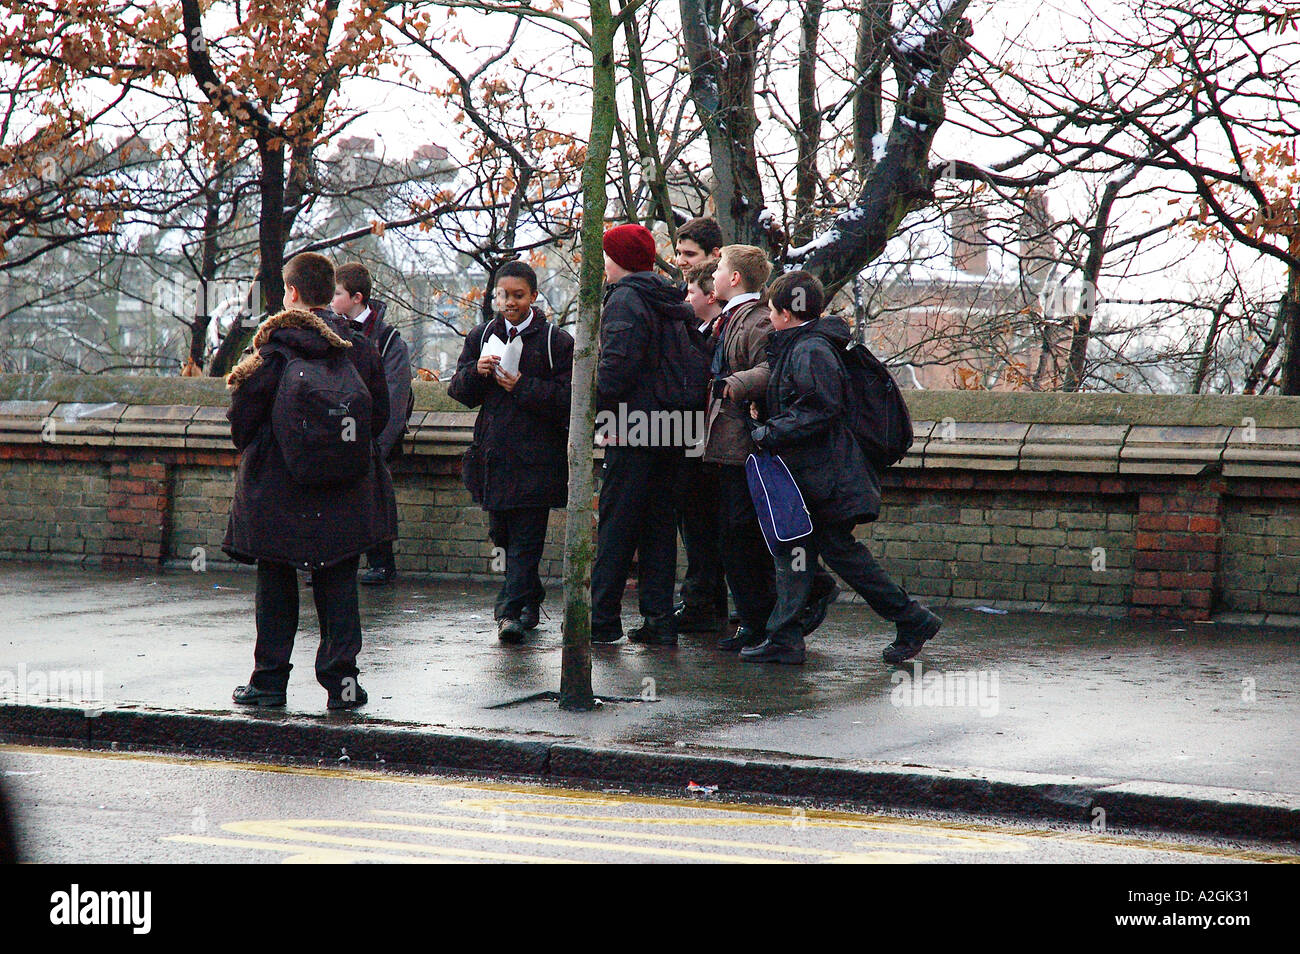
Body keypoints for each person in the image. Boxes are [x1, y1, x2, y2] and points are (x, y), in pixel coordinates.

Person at [224, 252, 397, 708]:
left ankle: (268, 684)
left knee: (276, 581)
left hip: (277, 488)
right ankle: (343, 687)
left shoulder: (271, 347)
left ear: (293, 294)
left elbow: (242, 422)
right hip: (345, 486)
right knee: (339, 583)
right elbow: (378, 415)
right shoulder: (358, 346)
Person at [745, 271, 942, 664]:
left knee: (828, 552)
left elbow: (821, 407)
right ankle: (786, 637)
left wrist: (770, 431)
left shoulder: (810, 350)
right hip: (817, 475)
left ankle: (911, 618)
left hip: (824, 477)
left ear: (785, 312)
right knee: (807, 550)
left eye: (772, 309)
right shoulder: (802, 346)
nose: (769, 316)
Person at [448, 261, 573, 643]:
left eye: (518, 295)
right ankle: (530, 598)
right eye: (503, 295)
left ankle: (509, 615)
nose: (509, 303)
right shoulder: (482, 334)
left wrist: (521, 385)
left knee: (525, 541)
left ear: (533, 297)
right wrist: (477, 372)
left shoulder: (556, 342)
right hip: (493, 459)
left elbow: (569, 401)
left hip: (536, 461)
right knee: (502, 536)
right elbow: (459, 392)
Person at [590, 223, 697, 645]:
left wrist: (593, 403)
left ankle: (601, 620)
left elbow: (615, 370)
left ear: (618, 259)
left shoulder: (626, 299)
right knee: (658, 528)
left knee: (616, 525)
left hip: (631, 429)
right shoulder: (667, 297)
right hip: (671, 428)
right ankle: (658, 620)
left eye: (606, 255)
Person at [701, 244, 779, 652]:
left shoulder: (757, 321)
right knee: (731, 536)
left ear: (734, 278)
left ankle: (757, 623)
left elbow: (770, 368)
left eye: (719, 269)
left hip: (741, 445)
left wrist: (736, 384)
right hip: (724, 443)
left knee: (741, 536)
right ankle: (752, 622)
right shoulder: (732, 318)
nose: (712, 275)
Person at [332, 262, 412, 586]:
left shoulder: (389, 340)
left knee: (374, 497)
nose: (331, 299)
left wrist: (378, 445)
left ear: (357, 297)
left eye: (336, 293)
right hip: (338, 432)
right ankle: (333, 563)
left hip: (373, 437)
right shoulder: (331, 332)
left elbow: (396, 396)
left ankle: (381, 562)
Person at [672, 261, 729, 634]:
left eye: (691, 292)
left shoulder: (713, 335)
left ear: (710, 296)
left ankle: (702, 602)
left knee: (703, 528)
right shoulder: (704, 330)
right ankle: (705, 601)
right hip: (697, 444)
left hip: (706, 447)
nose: (685, 298)